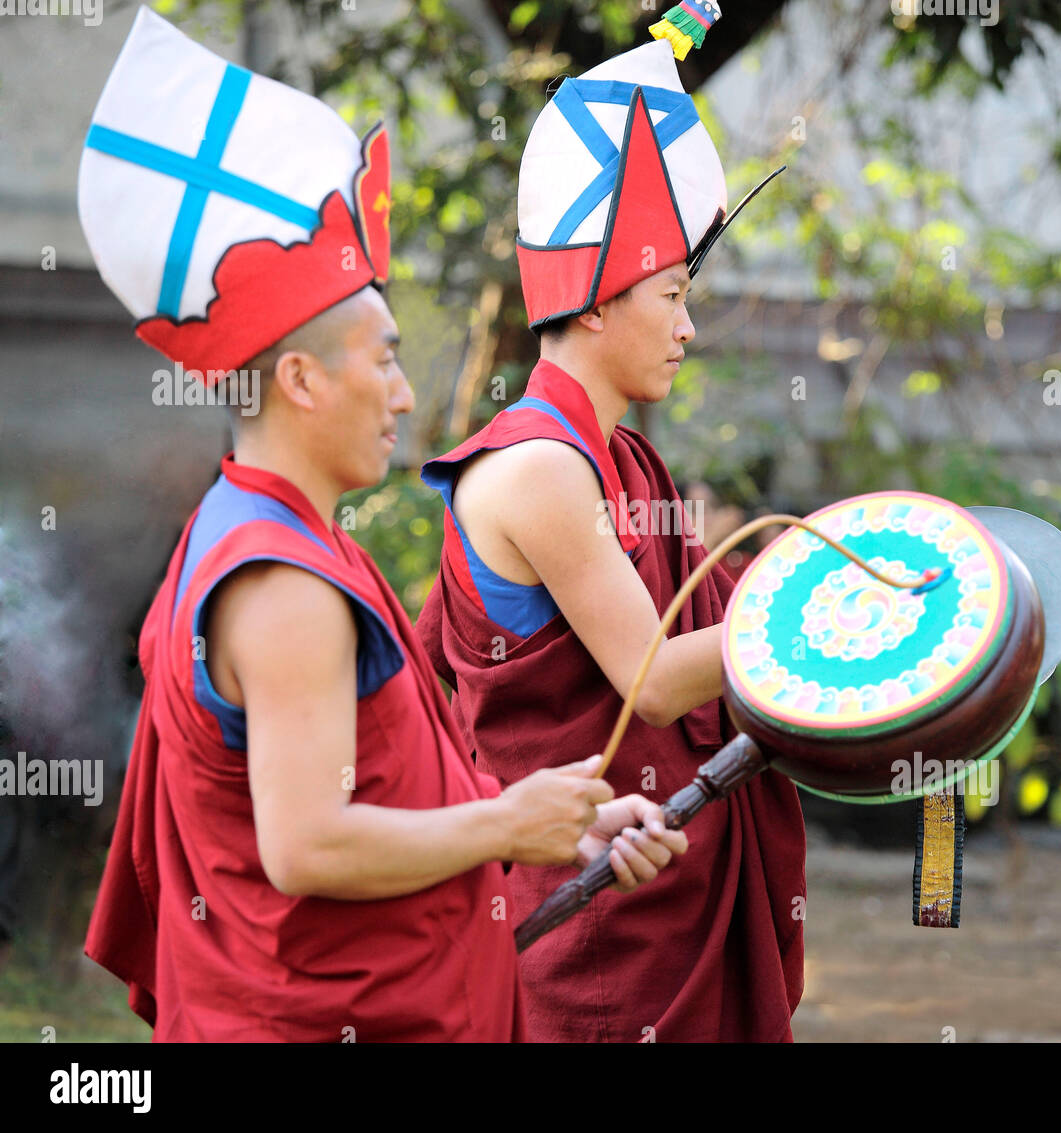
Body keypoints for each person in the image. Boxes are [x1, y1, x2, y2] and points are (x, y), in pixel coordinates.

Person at [78, 7, 684, 1043]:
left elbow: (390, 785)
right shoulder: (280, 584)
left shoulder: (272, 534)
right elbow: (306, 845)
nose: (406, 395)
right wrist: (503, 821)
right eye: (387, 359)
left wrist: (554, 823)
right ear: (303, 378)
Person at [416, 4, 807, 1043]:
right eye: (671, 293)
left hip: (651, 869)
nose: (686, 326)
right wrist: (816, 615)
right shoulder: (542, 466)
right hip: (587, 917)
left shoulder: (620, 457)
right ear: (593, 302)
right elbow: (654, 677)